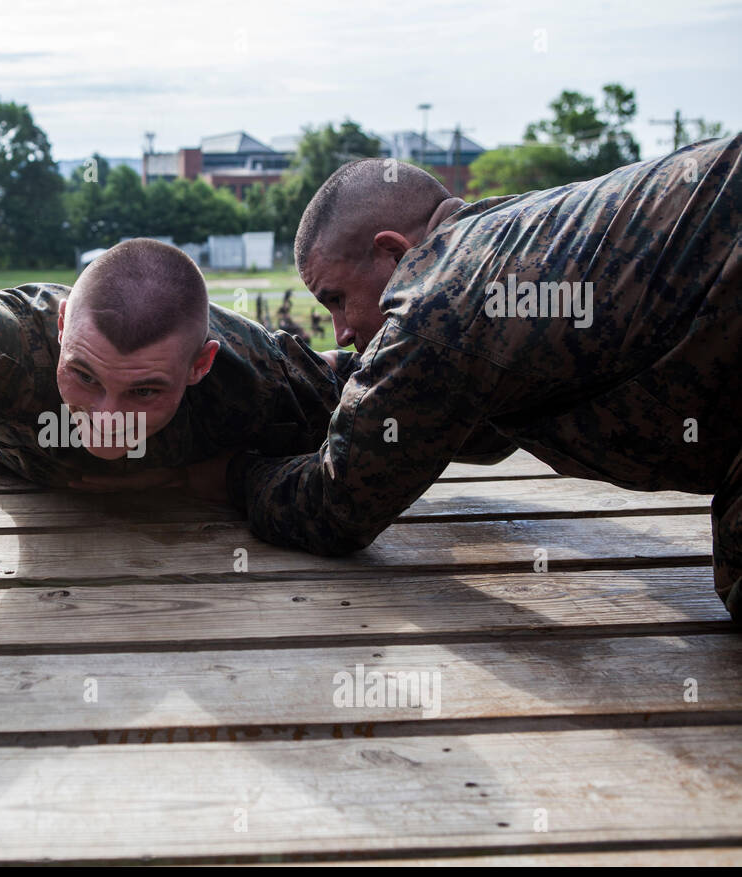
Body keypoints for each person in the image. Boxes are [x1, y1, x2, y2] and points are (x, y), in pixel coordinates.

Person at [190, 140, 742, 622]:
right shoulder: (507, 235)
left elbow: (335, 507)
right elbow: (482, 429)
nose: (343, 329)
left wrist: (235, 474)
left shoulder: (445, 287)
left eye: (336, 298)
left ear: (393, 253)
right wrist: (360, 384)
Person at [0, 238, 513, 493]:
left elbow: (432, 401)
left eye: (145, 391)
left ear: (201, 365)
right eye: (83, 377)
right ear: (61, 329)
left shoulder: (261, 378)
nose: (108, 422)